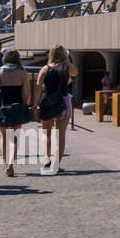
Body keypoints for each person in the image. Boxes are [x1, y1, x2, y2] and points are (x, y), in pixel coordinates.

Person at [0, 49, 33, 176]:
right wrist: (26, 105)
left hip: (1, 108)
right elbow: (27, 95)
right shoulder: (22, 73)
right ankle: (11, 164)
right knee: (14, 138)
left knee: (4, 138)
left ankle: (5, 162)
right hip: (17, 108)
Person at [34, 45, 76, 174]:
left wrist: (34, 106)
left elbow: (38, 88)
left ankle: (47, 158)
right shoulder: (67, 68)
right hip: (63, 101)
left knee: (46, 133)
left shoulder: (45, 69)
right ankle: (56, 165)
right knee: (61, 136)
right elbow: (75, 72)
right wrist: (67, 61)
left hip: (48, 102)